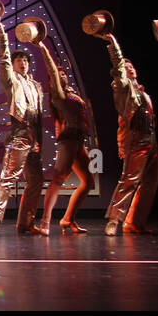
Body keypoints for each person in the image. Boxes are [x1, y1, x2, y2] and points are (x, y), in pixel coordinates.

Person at [0, 14, 45, 236]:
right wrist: (0, 31)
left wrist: (38, 141)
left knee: (36, 180)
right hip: (18, 134)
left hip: (33, 136)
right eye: (19, 60)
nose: (23, 62)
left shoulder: (36, 86)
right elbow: (4, 58)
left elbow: (37, 116)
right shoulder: (13, 81)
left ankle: (26, 222)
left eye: (26, 60)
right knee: (8, 177)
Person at [98, 31, 158, 236]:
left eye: (131, 66)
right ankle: (114, 220)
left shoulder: (143, 91)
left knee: (149, 183)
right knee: (129, 181)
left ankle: (135, 222)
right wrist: (113, 44)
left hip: (151, 141)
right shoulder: (124, 89)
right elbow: (118, 69)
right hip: (137, 140)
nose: (129, 68)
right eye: (126, 67)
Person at [34, 39, 95, 234]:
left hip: (78, 140)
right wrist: (43, 48)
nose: (62, 74)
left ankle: (68, 219)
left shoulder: (70, 93)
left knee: (88, 181)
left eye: (63, 72)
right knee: (59, 179)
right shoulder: (58, 96)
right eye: (57, 73)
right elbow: (51, 70)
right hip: (69, 140)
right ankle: (45, 221)